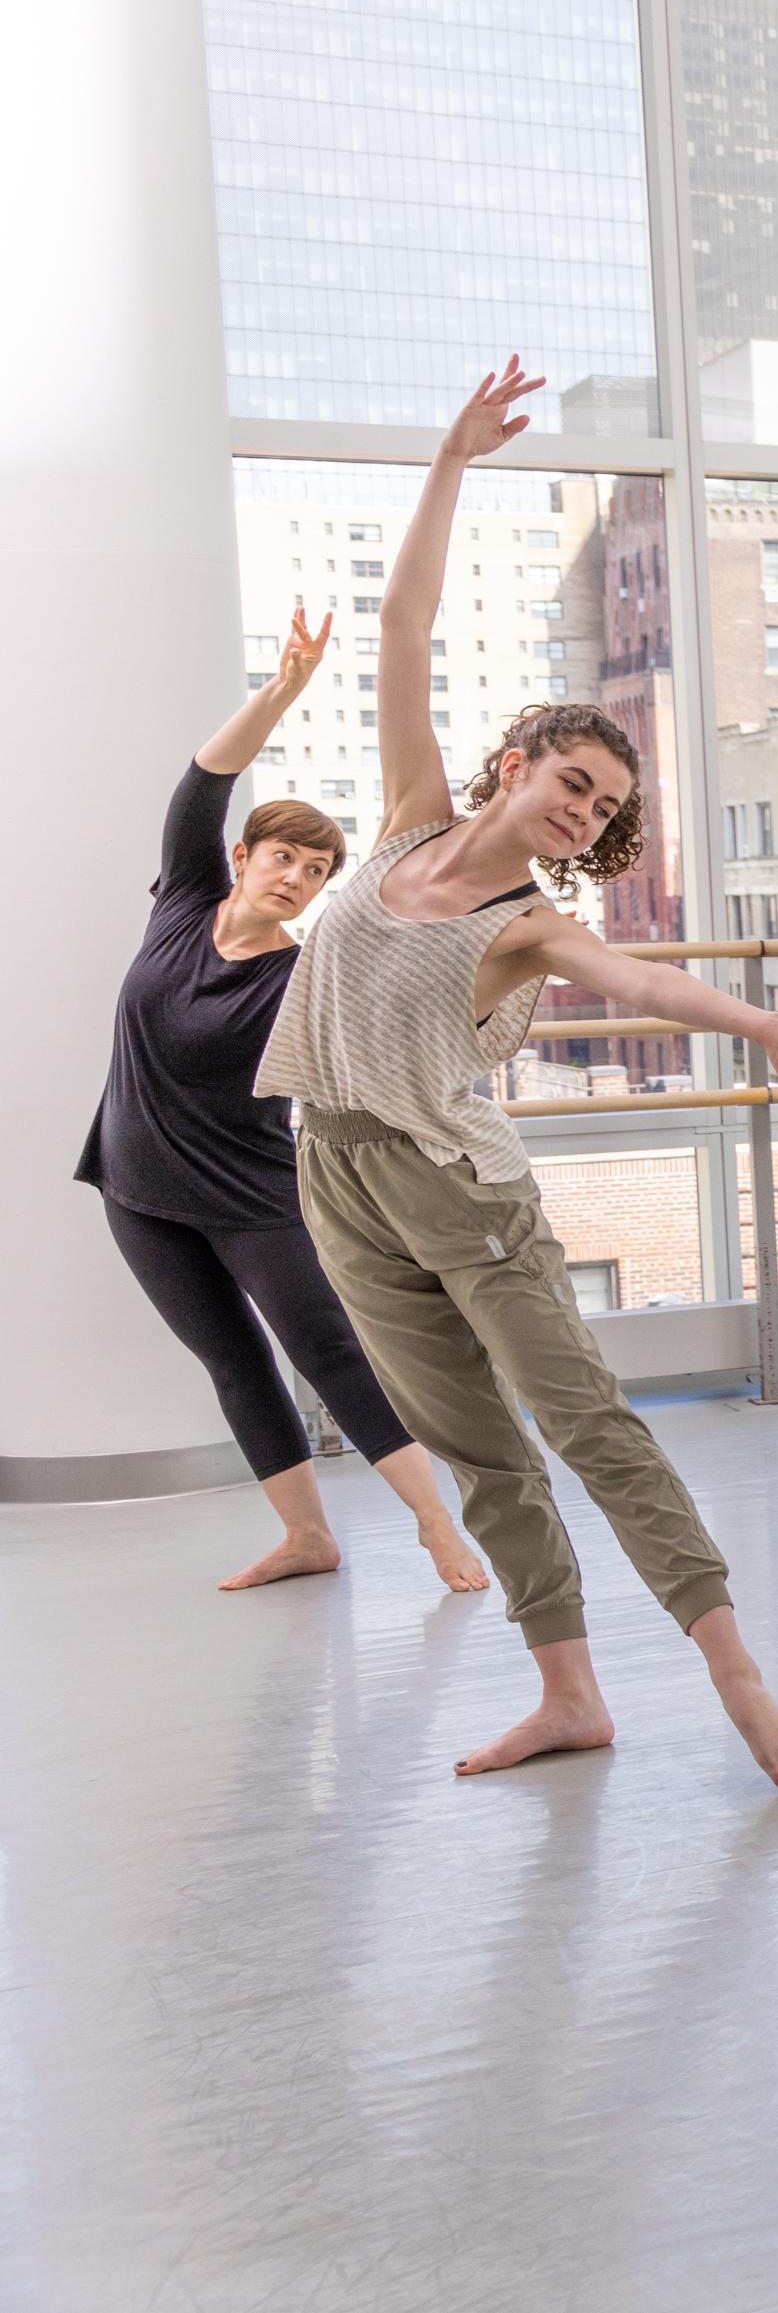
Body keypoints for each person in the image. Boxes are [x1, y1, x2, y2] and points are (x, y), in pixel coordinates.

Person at [257, 360, 778, 1787]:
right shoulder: (409, 822)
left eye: (601, 810)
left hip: (458, 1192)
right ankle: (569, 1695)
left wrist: (766, 1027)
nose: (583, 811)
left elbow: (645, 983)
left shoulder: (529, 924)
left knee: (588, 1424)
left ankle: (735, 1673)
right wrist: (451, 459)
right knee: (478, 1449)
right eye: (572, 781)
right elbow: (403, 627)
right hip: (333, 1171)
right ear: (517, 761)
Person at [79, 604, 487, 1597]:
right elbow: (203, 782)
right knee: (233, 1362)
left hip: (255, 1198)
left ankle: (438, 1527)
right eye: (283, 857)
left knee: (331, 1353)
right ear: (242, 857)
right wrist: (282, 690)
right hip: (136, 1189)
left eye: (315, 871)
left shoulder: (303, 975)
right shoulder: (183, 900)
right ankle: (306, 1536)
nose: (296, 878)